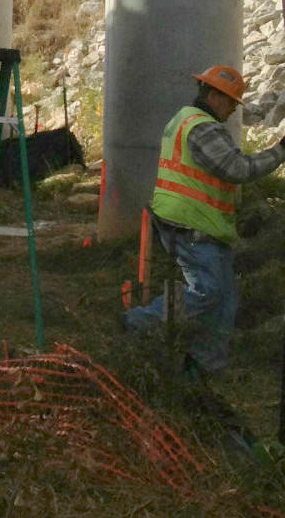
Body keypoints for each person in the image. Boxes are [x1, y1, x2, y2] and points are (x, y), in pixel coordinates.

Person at [122, 64, 285, 376]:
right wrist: (280, 152)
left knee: (224, 302)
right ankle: (136, 322)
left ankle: (203, 367)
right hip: (192, 225)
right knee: (206, 293)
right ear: (214, 95)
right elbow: (237, 169)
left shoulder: (186, 120)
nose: (232, 111)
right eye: (230, 103)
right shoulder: (202, 127)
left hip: (199, 224)